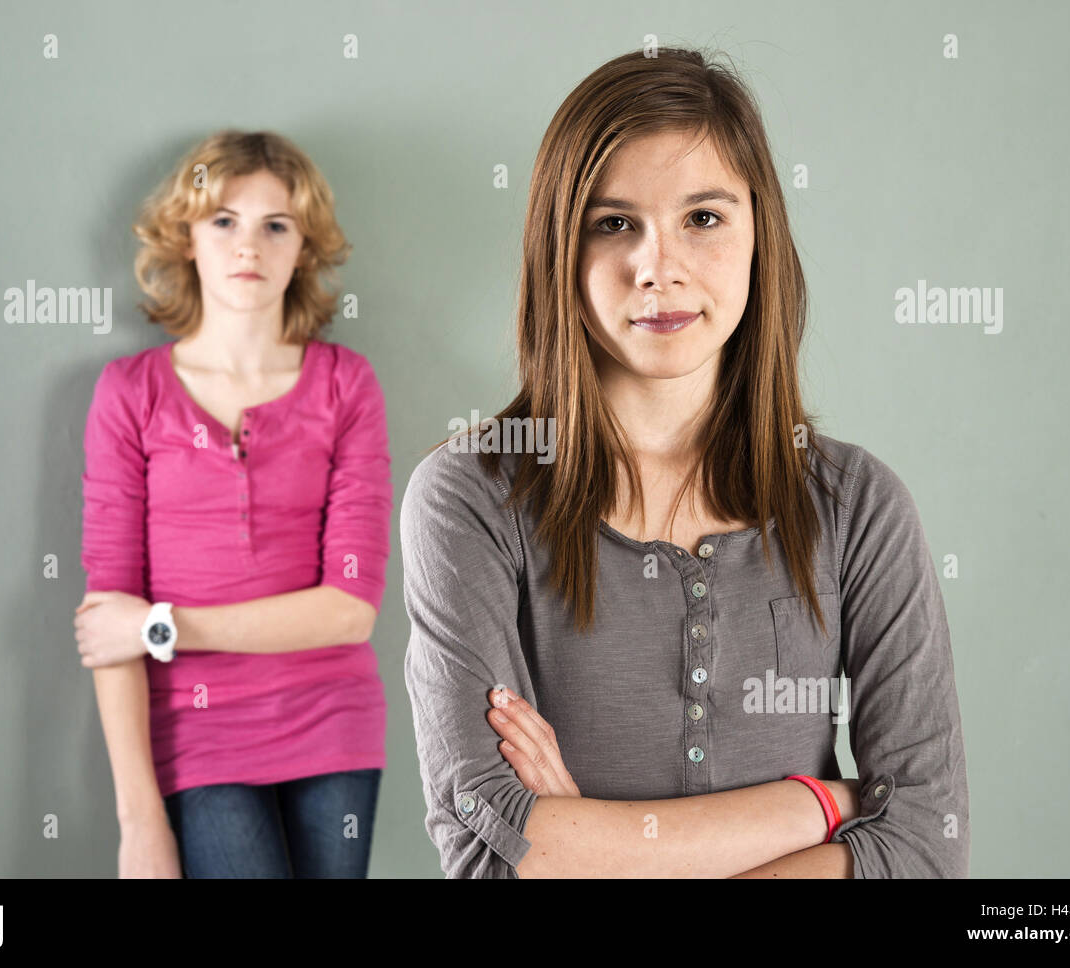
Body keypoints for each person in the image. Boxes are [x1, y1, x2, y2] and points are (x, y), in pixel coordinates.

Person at [401, 47, 970, 878]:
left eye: (703, 217)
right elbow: (491, 855)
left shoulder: (860, 505)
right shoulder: (468, 499)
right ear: (559, 250)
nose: (656, 267)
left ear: (757, 237)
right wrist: (819, 807)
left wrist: (581, 842)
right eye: (613, 222)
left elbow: (925, 848)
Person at [76, 130, 391, 878]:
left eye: (275, 224)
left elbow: (349, 609)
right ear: (187, 237)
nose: (248, 245)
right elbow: (105, 630)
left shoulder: (347, 385)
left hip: (333, 725)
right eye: (224, 220)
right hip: (194, 730)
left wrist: (161, 626)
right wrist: (138, 822)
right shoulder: (130, 394)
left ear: (302, 247)